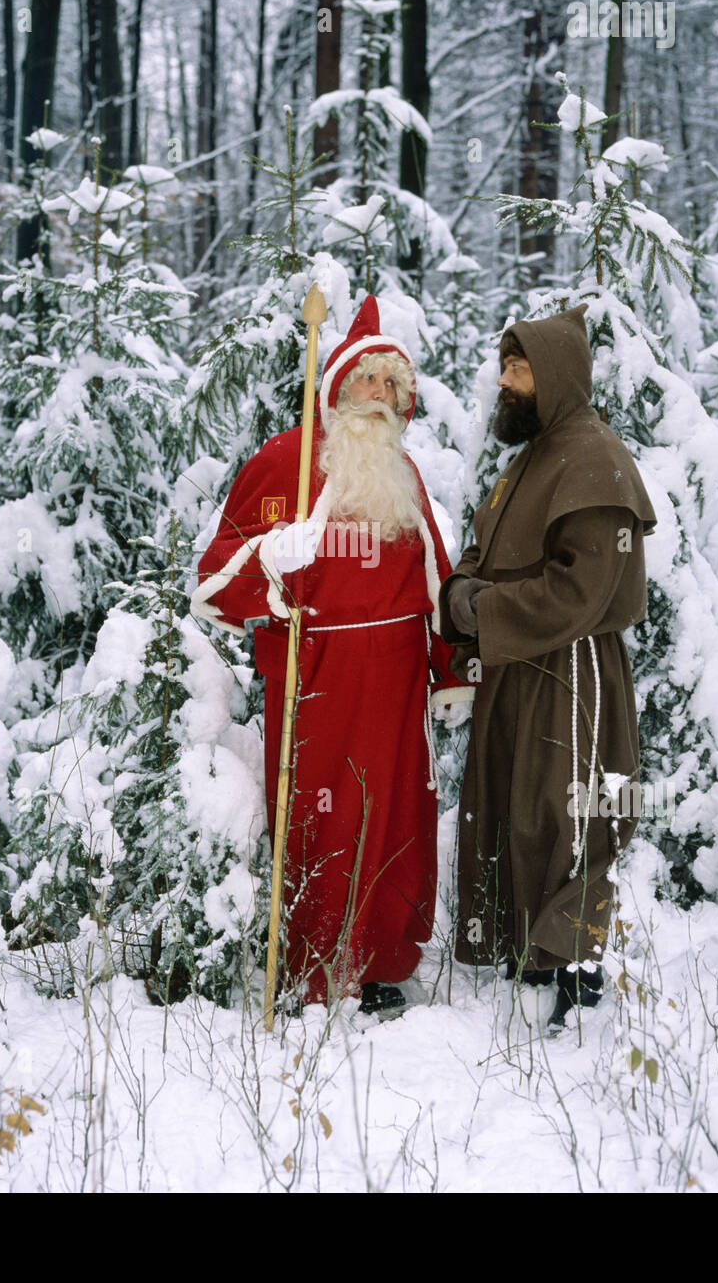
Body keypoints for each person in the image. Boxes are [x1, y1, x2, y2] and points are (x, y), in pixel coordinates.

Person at [191, 294, 473, 1015]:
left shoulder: (403, 478)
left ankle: (379, 965)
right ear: (339, 387)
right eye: (367, 382)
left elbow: (436, 580)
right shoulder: (286, 461)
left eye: (392, 386)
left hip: (402, 681)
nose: (379, 398)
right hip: (314, 678)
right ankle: (313, 969)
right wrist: (269, 556)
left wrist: (449, 669)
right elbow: (211, 583)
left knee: (395, 817)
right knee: (324, 818)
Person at [438, 304, 657, 1028]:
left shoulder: (593, 459)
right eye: (503, 366)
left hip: (572, 669)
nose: (505, 381)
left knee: (579, 813)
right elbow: (485, 551)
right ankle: (535, 956)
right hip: (521, 670)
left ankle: (575, 973)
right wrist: (464, 594)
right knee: (524, 810)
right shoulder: (529, 461)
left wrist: (487, 611)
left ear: (557, 376)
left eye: (520, 368)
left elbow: (582, 588)